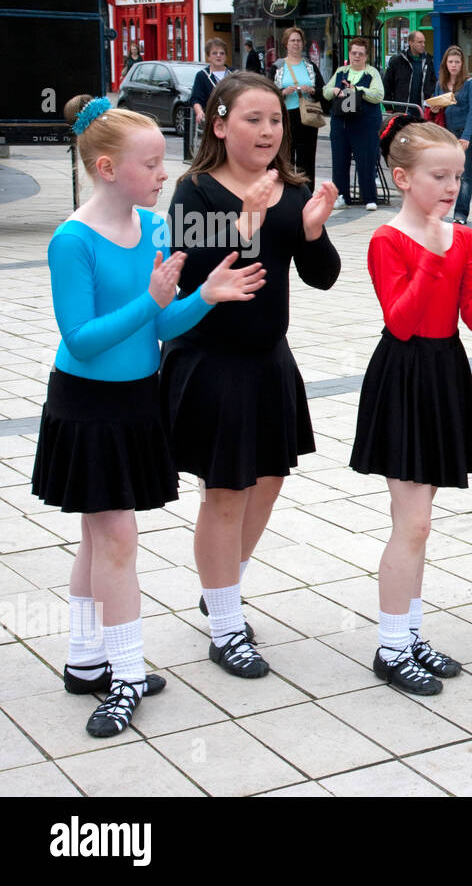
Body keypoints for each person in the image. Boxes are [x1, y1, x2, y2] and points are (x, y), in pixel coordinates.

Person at [36, 95, 263, 736]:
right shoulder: (70, 240)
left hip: (139, 400)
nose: (165, 174)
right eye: (152, 163)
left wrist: (206, 299)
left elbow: (161, 323)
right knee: (115, 540)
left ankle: (86, 660)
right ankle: (126, 673)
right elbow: (81, 338)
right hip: (87, 405)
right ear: (107, 168)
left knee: (97, 537)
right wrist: (151, 301)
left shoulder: (154, 230)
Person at [351, 115, 472, 694]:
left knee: (420, 524)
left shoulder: (460, 237)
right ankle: (390, 646)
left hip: (445, 370)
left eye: (457, 176)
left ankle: (406, 633)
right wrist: (434, 252)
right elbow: (401, 321)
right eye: (439, 176)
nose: (451, 187)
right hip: (404, 373)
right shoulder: (387, 239)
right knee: (413, 522)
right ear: (403, 178)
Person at [160, 72, 340, 678]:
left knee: (267, 482)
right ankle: (226, 625)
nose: (267, 131)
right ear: (219, 124)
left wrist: (312, 230)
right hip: (212, 362)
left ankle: (221, 592)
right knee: (225, 493)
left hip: (269, 361)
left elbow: (323, 277)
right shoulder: (195, 190)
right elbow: (196, 278)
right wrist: (247, 219)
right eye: (252, 119)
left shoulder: (289, 187)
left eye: (274, 120)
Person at [324, 38, 385, 210]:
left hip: (364, 123)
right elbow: (325, 92)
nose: (356, 56)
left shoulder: (371, 73)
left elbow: (378, 95)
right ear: (349, 54)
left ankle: (369, 198)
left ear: (366, 56)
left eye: (360, 54)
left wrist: (358, 90)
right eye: (354, 53)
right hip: (341, 123)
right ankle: (341, 196)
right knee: (339, 160)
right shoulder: (341, 71)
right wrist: (334, 90)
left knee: (365, 159)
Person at [428, 45, 472, 223]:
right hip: (448, 134)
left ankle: (460, 214)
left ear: (462, 64)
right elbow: (437, 110)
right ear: (445, 63)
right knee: (443, 173)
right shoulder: (441, 84)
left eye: (457, 62)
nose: (453, 65)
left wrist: (465, 137)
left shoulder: (470, 83)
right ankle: (440, 209)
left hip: (468, 134)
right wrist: (435, 108)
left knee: (464, 175)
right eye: (450, 62)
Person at [273, 27, 326, 190]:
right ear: (286, 44)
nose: (296, 44)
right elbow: (269, 92)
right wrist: (283, 92)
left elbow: (321, 90)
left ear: (303, 44)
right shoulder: (278, 66)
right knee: (285, 157)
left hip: (307, 117)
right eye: (292, 41)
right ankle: (286, 193)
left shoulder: (310, 66)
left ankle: (306, 194)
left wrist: (311, 90)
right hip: (286, 117)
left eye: (298, 41)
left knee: (307, 158)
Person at [382, 30, 436, 115]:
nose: (423, 45)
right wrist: (388, 107)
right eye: (419, 42)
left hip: (422, 110)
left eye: (424, 42)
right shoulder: (397, 61)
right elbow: (387, 85)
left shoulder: (428, 60)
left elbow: (433, 82)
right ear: (411, 43)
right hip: (402, 109)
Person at [191, 39, 231, 134]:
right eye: (214, 53)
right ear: (208, 56)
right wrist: (199, 112)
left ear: (225, 56)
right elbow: (196, 99)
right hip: (212, 119)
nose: (218, 56)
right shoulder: (202, 76)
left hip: (232, 118)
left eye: (222, 53)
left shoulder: (234, 74)